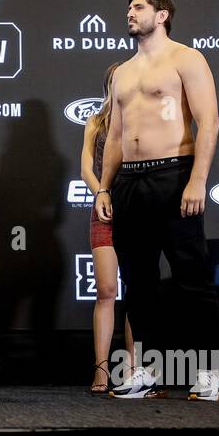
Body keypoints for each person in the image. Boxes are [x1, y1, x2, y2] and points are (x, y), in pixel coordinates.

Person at [94, 0, 219, 401]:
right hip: (129, 182)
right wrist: (104, 187)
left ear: (162, 15)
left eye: (138, 7)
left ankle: (206, 373)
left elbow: (210, 122)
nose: (128, 13)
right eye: (128, 6)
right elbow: (113, 136)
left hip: (175, 174)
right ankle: (147, 373)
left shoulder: (187, 58)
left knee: (192, 280)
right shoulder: (122, 72)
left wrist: (198, 180)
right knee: (138, 284)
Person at [80, 62, 134, 394]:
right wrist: (101, 193)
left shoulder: (142, 118)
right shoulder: (95, 121)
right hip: (104, 209)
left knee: (137, 293)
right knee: (106, 292)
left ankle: (133, 370)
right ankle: (101, 372)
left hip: (137, 209)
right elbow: (86, 166)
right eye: (116, 81)